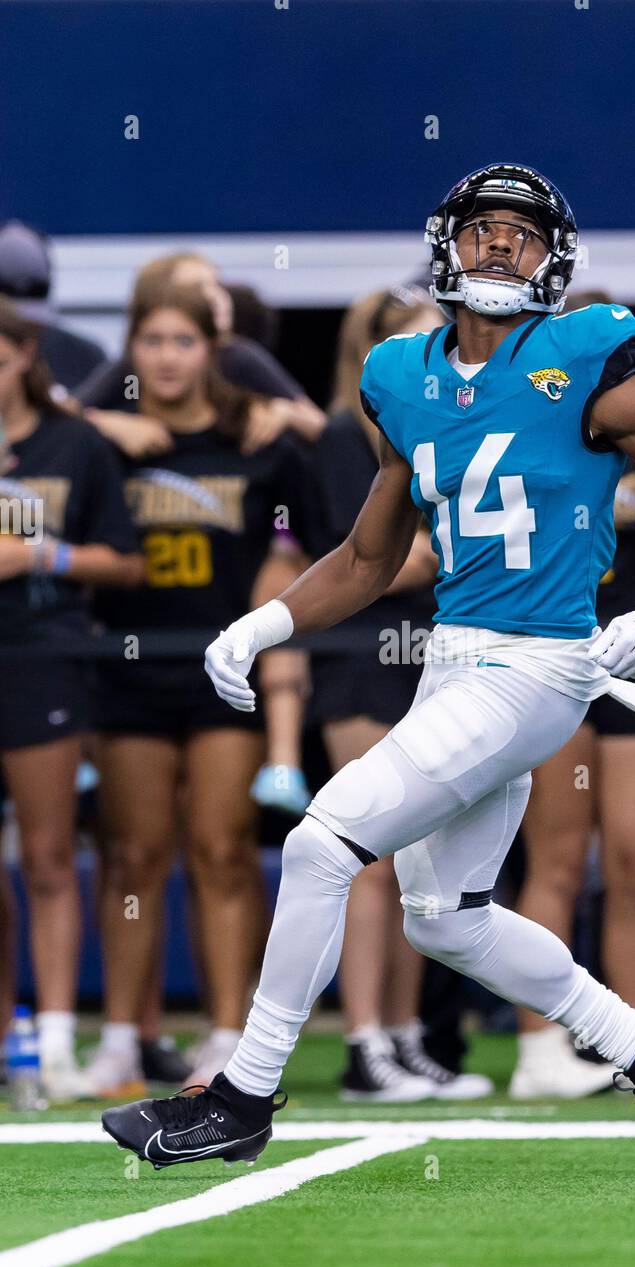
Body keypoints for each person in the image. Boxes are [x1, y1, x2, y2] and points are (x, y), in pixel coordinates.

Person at [103, 162, 635, 1178]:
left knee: (323, 842)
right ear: (445, 244)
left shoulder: (586, 354)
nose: (501, 245)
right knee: (442, 919)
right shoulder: (398, 375)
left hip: (536, 668)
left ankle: (241, 1093)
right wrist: (264, 620)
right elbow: (370, 556)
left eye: (523, 233)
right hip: (450, 666)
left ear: (554, 260)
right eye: (483, 228)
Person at [84, 281, 311, 1096]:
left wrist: (282, 557)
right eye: (153, 343)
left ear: (211, 350)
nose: (168, 358)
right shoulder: (107, 445)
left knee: (222, 851)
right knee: (135, 856)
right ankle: (118, 1040)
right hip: (127, 670)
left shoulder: (257, 440)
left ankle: (226, 1039)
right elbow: (38, 427)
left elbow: (321, 519)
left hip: (224, 673)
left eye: (184, 342)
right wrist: (104, 422)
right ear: (131, 355)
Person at [307, 284, 490, 1101]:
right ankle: (364, 1042)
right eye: (417, 340)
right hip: (357, 660)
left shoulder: (447, 424)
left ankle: (408, 1036)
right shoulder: (346, 439)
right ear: (377, 352)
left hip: (430, 654)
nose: (437, 351)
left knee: (417, 860)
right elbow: (377, 560)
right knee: (366, 852)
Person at [0, 297, 143, 1098]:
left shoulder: (75, 441)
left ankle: (55, 1041)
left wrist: (42, 556)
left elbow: (126, 563)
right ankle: (6, 1038)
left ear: (26, 357)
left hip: (44, 660)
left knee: (51, 856)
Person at [77, 252, 326, 448]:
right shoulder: (135, 365)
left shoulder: (237, 356)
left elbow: (321, 428)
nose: (216, 297)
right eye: (197, 289)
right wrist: (106, 423)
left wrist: (284, 413)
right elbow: (65, 418)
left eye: (217, 285)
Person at [0, 221, 106, 393]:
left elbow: (131, 393)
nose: (23, 329)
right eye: (10, 321)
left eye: (33, 321)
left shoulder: (89, 357)